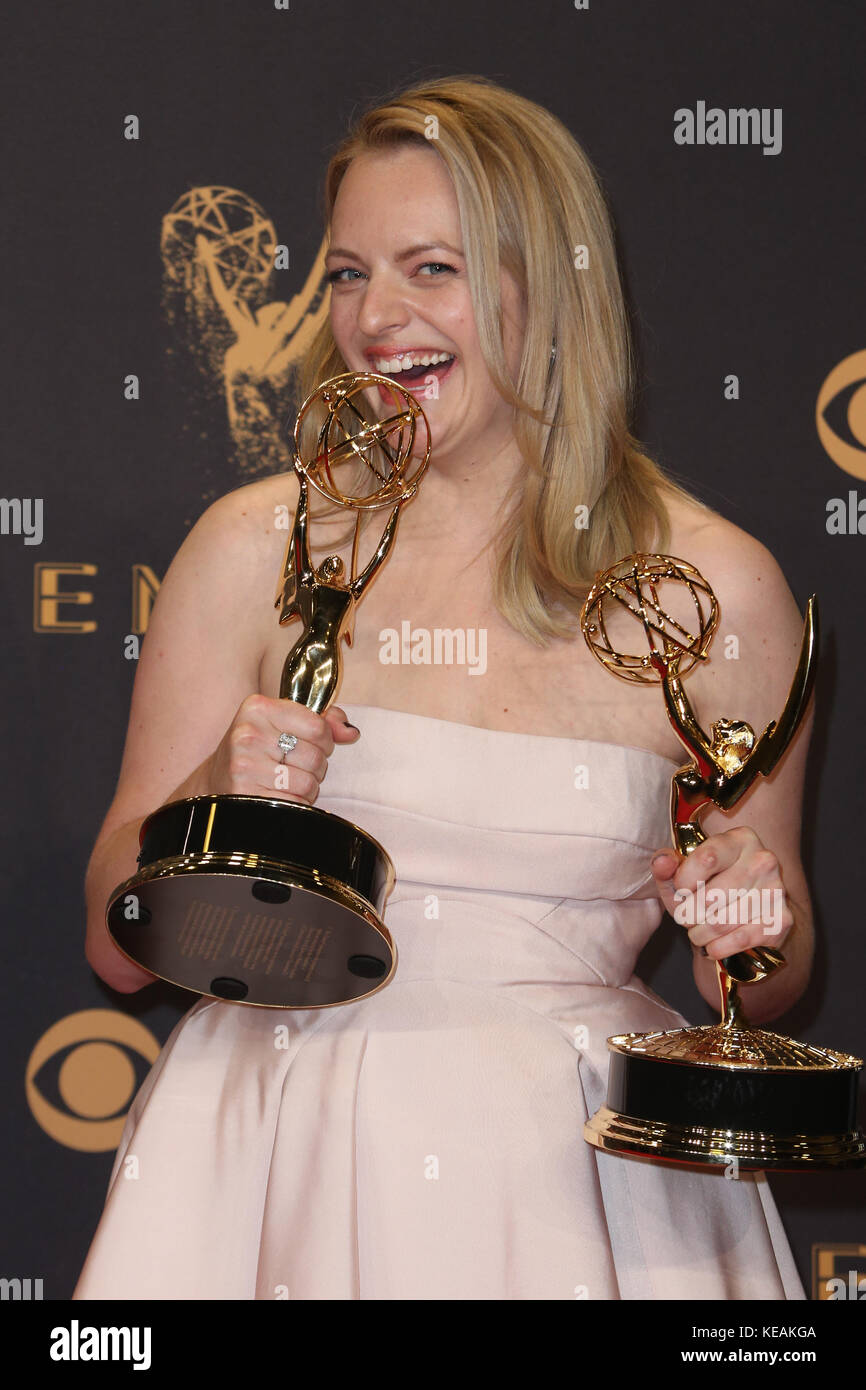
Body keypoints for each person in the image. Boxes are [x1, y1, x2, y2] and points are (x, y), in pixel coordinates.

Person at [74, 75, 812, 1300]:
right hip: (270, 1161)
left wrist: (749, 924)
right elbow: (116, 945)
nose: (374, 316)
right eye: (350, 271)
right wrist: (211, 794)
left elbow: (767, 983)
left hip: (581, 1188)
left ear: (550, 286)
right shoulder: (254, 547)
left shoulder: (711, 587)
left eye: (431, 268)